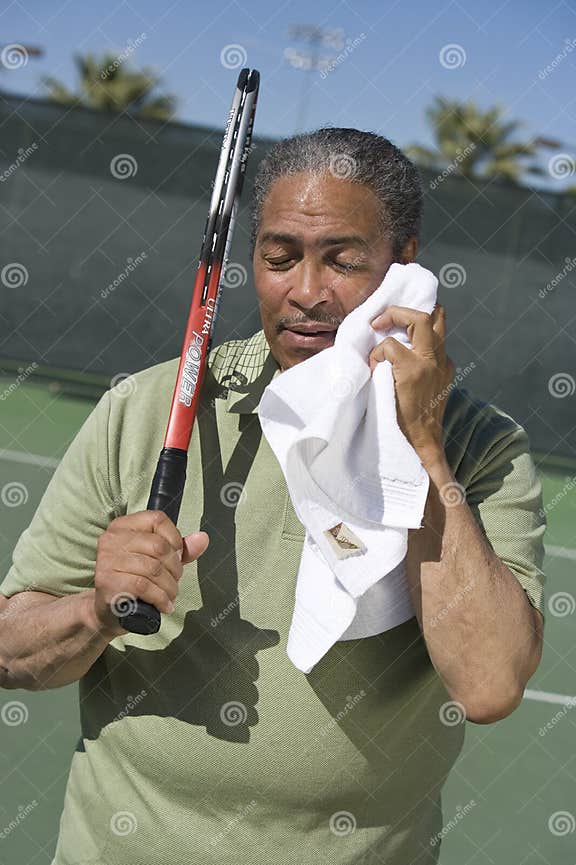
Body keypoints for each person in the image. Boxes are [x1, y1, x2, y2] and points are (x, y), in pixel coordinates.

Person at [0, 128, 546, 865]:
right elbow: (12, 649)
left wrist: (419, 446)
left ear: (403, 267)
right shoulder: (141, 408)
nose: (307, 291)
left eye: (344, 260)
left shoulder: (483, 446)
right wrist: (96, 609)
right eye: (280, 256)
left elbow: (487, 684)